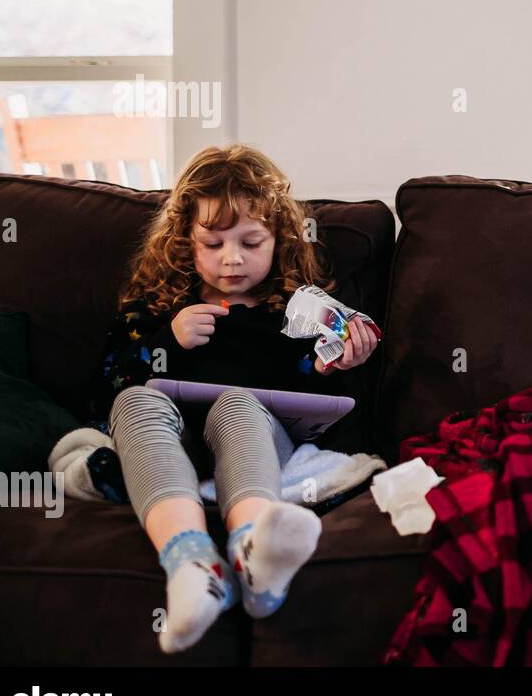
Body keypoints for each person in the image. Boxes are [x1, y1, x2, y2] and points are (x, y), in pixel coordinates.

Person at [86, 144, 379, 652]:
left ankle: (252, 554)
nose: (232, 258)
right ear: (186, 242)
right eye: (213, 243)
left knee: (237, 403)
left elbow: (321, 412)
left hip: (255, 439)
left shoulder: (294, 317)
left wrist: (339, 365)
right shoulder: (158, 309)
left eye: (251, 241)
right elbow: (109, 385)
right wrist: (166, 343)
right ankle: (192, 563)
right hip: (172, 442)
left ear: (279, 240)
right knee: (135, 403)